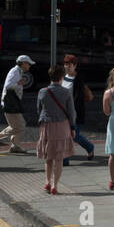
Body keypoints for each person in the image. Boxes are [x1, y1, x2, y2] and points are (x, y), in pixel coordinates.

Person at [36, 64, 76, 194]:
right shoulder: (65, 92)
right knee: (59, 158)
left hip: (46, 126)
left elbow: (39, 110)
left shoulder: (42, 91)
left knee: (49, 157)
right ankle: (55, 186)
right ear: (61, 77)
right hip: (62, 126)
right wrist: (73, 127)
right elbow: (71, 112)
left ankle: (47, 182)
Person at [0, 54, 35, 153]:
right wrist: (19, 84)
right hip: (10, 104)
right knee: (20, 126)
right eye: (28, 64)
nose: (29, 66)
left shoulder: (17, 72)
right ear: (23, 63)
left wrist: (19, 84)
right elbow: (8, 86)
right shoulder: (15, 71)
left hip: (12, 103)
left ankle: (15, 145)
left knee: (18, 126)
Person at [61, 54, 95, 166]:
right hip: (63, 113)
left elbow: (78, 98)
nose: (67, 66)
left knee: (73, 136)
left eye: (70, 64)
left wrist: (71, 112)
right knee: (66, 136)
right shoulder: (62, 77)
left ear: (75, 65)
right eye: (66, 64)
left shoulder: (78, 78)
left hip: (75, 112)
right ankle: (65, 160)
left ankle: (89, 147)